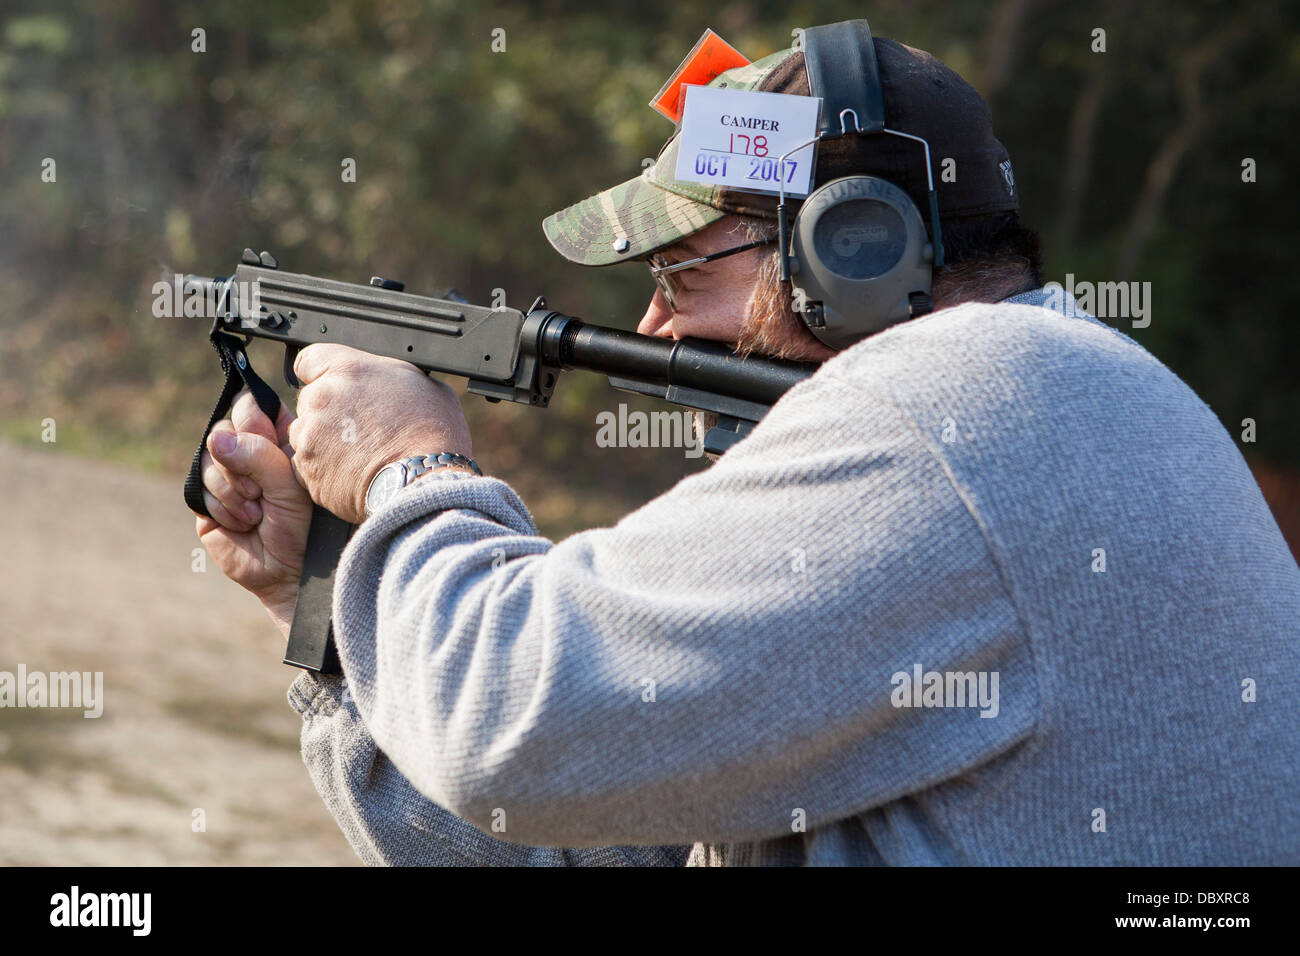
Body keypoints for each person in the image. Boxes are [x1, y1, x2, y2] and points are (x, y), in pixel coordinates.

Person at [194, 25, 1300, 865]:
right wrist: (334, 593)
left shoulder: (953, 406)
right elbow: (564, 835)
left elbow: (505, 723)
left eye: (683, 275)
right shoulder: (1048, 389)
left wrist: (410, 467)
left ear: (851, 250)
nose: (653, 328)